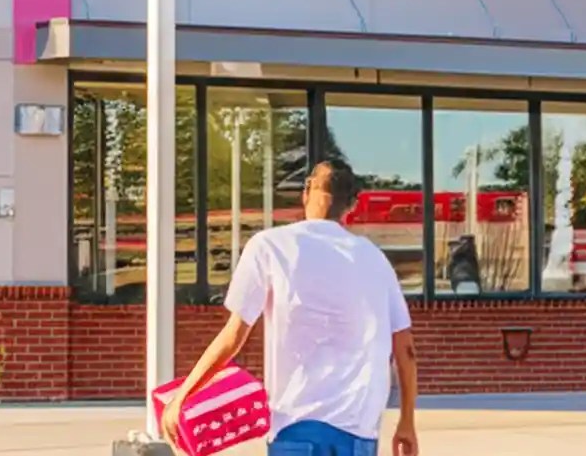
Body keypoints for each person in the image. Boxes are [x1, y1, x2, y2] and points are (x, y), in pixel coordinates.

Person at [162, 160, 418, 456]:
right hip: (359, 431)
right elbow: (406, 349)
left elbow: (233, 337)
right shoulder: (375, 260)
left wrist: (183, 396)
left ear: (306, 192)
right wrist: (407, 422)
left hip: (295, 426)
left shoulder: (270, 246)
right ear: (351, 207)